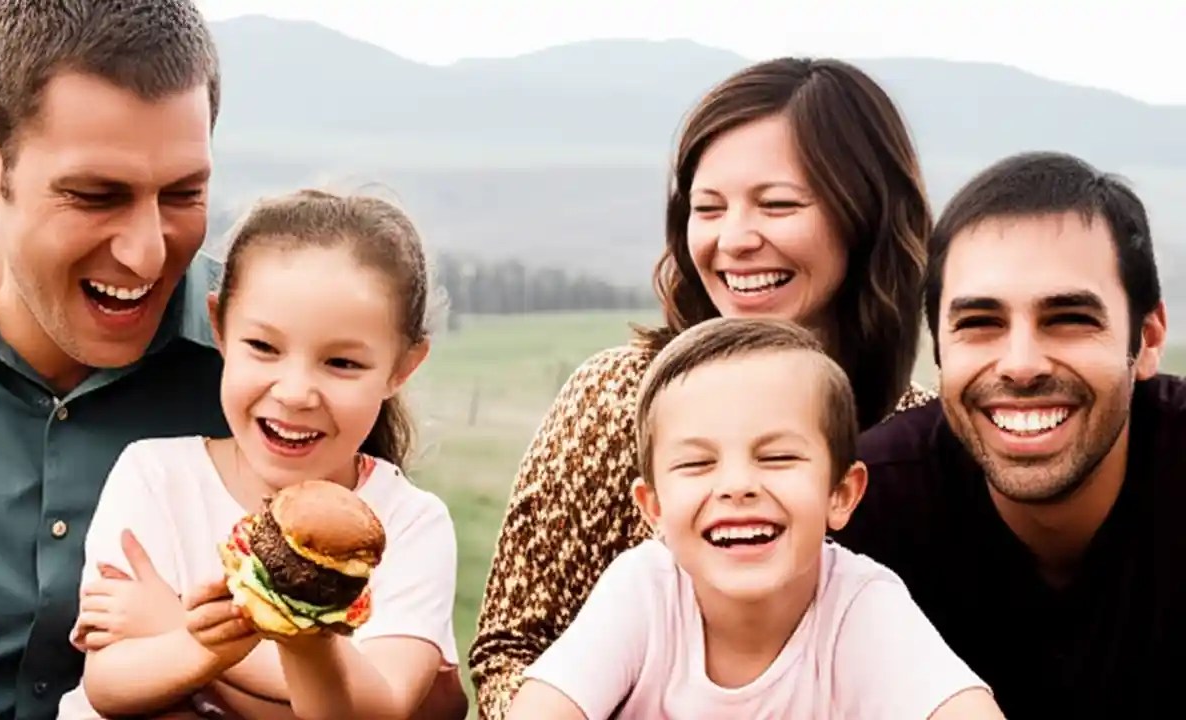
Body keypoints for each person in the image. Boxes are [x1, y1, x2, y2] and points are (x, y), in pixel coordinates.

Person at [470, 56, 935, 715]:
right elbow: (511, 647)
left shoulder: (918, 439)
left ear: (866, 215)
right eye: (707, 209)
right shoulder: (616, 398)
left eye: (777, 205)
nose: (733, 239)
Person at [0, 2, 228, 718]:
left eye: (184, 194)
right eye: (94, 195)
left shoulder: (277, 374)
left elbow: (410, 680)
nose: (147, 253)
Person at [54, 189, 462, 719]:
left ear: (402, 367)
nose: (294, 392)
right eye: (263, 348)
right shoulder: (153, 475)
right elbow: (110, 685)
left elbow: (376, 709)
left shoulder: (408, 525)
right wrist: (246, 664)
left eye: (341, 363)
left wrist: (180, 626)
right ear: (219, 328)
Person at [831, 151, 1185, 718]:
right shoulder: (861, 512)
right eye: (980, 323)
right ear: (939, 350)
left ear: (1146, 339)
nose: (1020, 365)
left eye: (1069, 318)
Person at [505, 317, 1003, 719]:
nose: (736, 485)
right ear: (653, 509)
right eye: (698, 463)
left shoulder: (860, 605)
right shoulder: (644, 590)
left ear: (841, 494)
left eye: (778, 458)